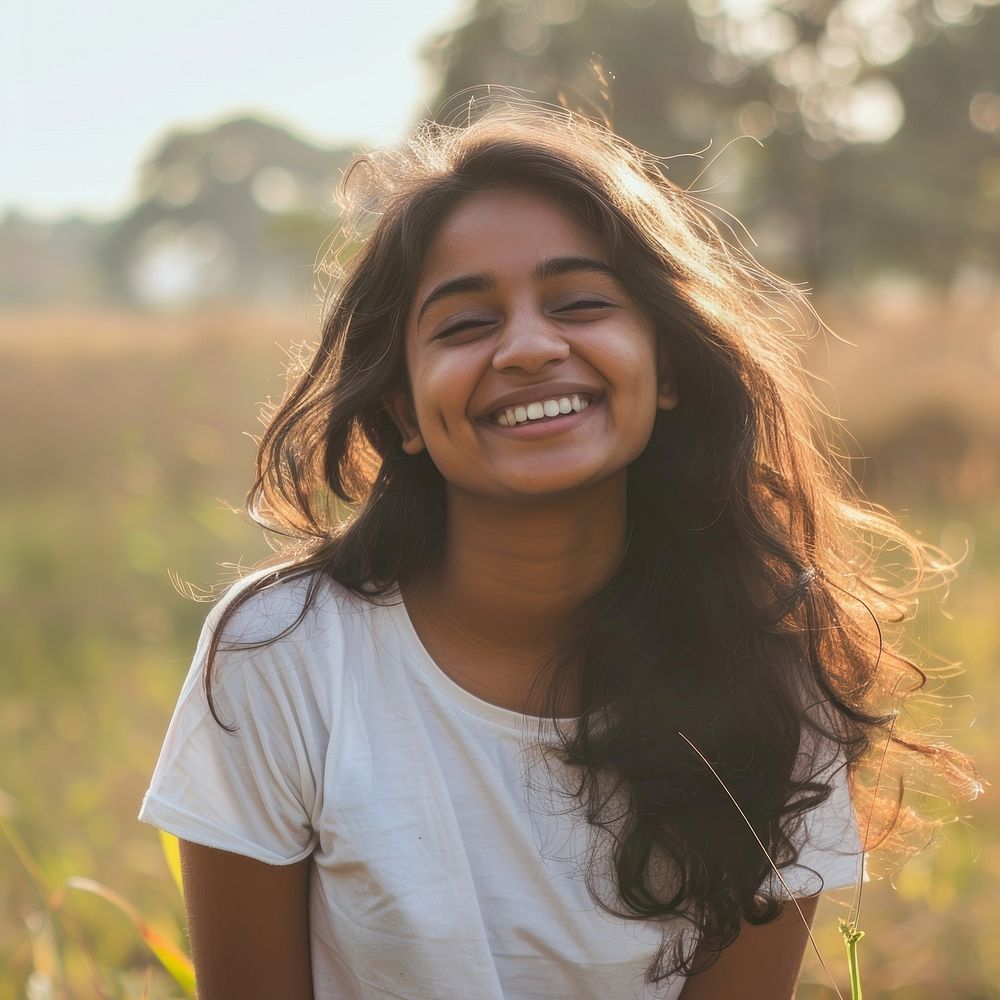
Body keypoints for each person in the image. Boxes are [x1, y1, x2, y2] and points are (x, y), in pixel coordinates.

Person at [138, 99, 978, 999]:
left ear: (666, 372)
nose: (532, 348)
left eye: (581, 304)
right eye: (464, 325)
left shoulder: (770, 666)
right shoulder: (284, 654)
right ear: (401, 412)